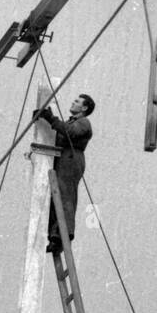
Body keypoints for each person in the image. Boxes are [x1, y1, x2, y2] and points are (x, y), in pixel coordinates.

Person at [36, 93, 95, 254]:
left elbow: (70, 132)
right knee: (56, 196)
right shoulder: (72, 122)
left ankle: (64, 234)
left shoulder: (84, 122)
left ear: (84, 108)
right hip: (63, 159)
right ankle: (55, 235)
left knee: (65, 195)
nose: (73, 102)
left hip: (71, 160)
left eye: (77, 101)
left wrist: (50, 119)